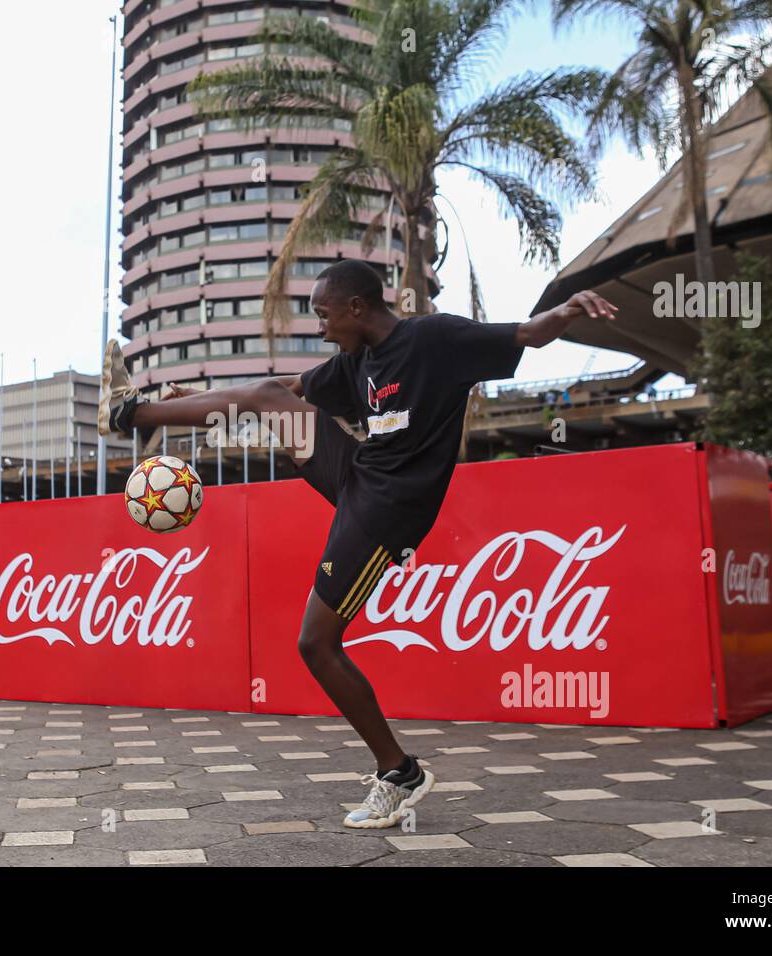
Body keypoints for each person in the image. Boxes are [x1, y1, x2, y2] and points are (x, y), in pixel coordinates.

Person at [99, 259, 618, 828]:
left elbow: (524, 334)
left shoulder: (434, 338)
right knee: (269, 394)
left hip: (388, 512)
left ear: (356, 308)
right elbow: (285, 391)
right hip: (354, 475)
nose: (319, 327)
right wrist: (204, 396)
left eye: (323, 315)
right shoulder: (357, 362)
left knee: (316, 644)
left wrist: (565, 312)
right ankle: (133, 411)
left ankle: (399, 773)